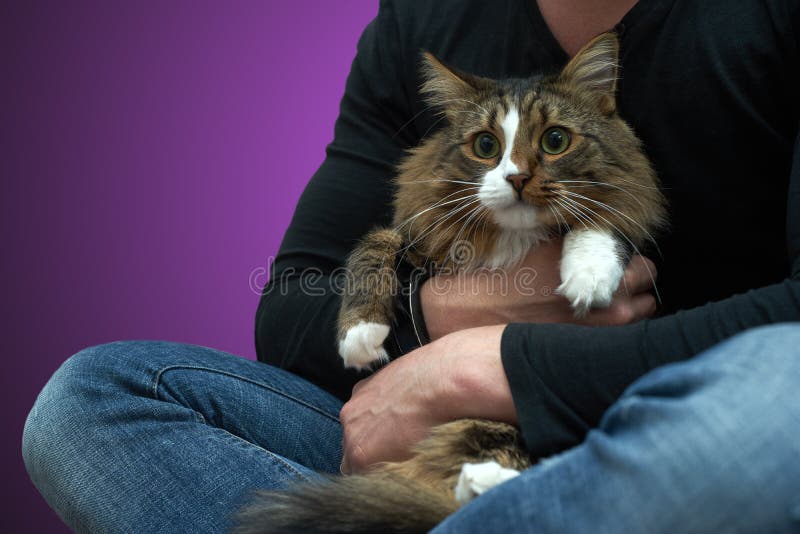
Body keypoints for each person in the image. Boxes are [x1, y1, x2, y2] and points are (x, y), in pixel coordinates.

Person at [23, 0, 800, 532]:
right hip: (428, 448)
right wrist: (446, 318)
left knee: (776, 399)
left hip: (672, 438)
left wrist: (494, 365)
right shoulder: (420, 20)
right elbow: (295, 302)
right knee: (92, 400)